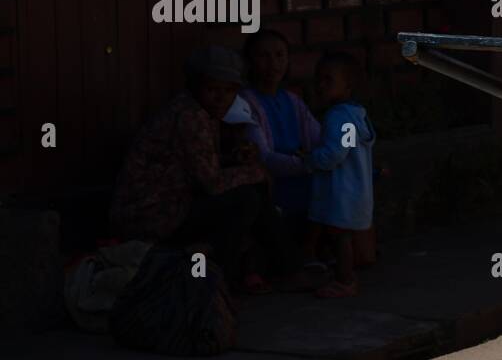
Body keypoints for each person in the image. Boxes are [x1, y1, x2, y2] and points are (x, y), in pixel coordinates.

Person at [109, 46, 305, 293]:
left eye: (229, 92)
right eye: (212, 90)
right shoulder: (191, 116)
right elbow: (210, 182)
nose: (220, 98)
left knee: (248, 196)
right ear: (196, 86)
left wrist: (235, 160)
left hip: (174, 204)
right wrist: (257, 172)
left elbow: (196, 164)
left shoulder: (199, 112)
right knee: (246, 199)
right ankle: (237, 276)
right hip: (151, 216)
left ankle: (262, 269)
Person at [303, 52, 376, 299]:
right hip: (355, 191)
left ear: (348, 86)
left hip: (343, 194)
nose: (321, 85)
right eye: (318, 79)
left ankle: (346, 281)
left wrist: (310, 159)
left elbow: (335, 153)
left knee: (339, 237)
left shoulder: (338, 116)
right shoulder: (356, 114)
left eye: (328, 80)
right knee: (341, 237)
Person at [240, 29, 321, 231]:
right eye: (263, 56)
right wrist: (310, 164)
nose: (273, 64)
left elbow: (318, 139)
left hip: (303, 171)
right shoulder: (245, 102)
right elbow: (264, 157)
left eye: (279, 55)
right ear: (249, 61)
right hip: (274, 182)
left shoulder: (293, 101)